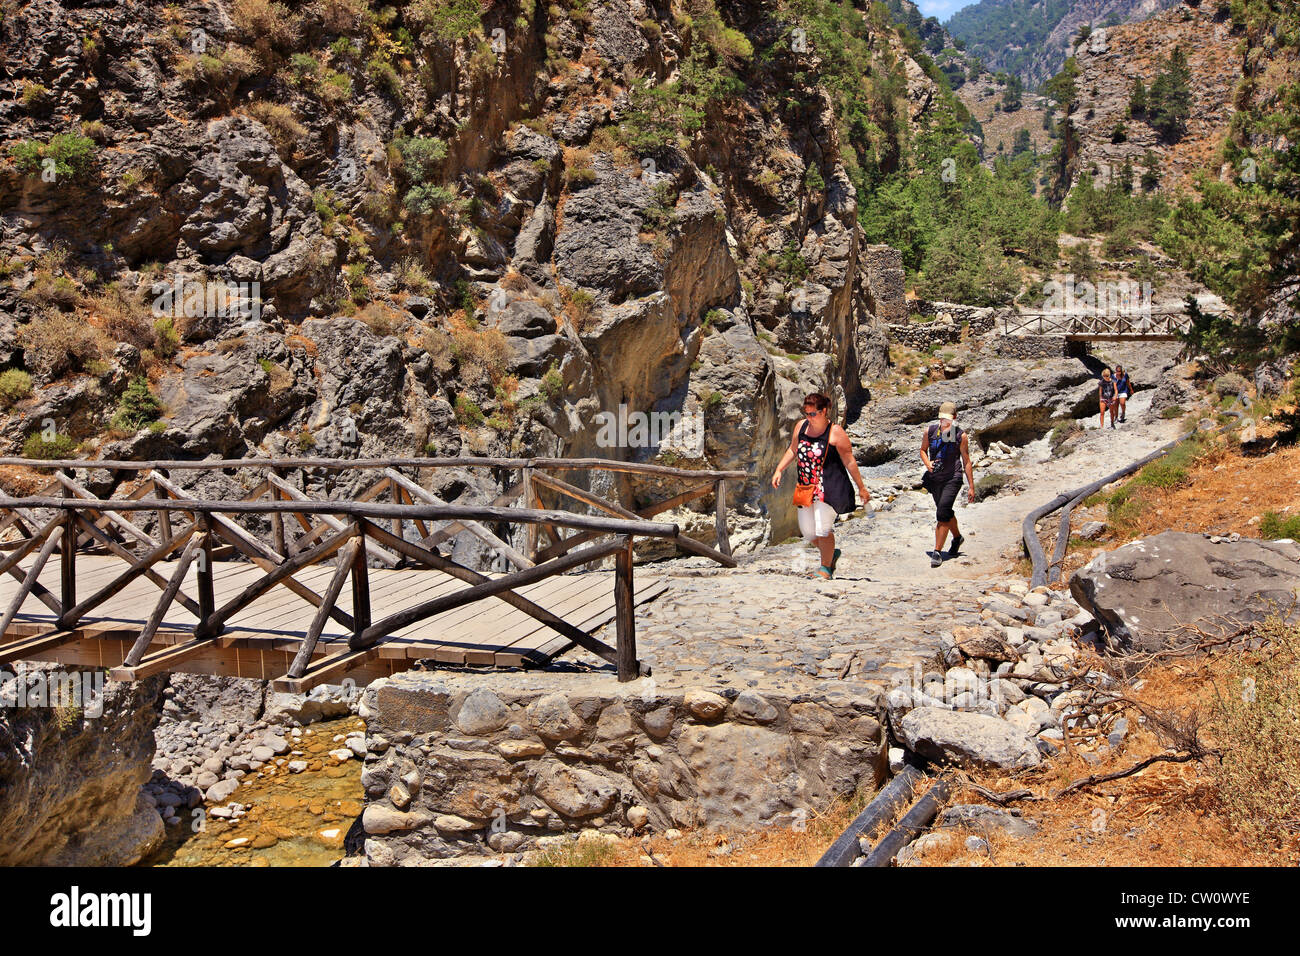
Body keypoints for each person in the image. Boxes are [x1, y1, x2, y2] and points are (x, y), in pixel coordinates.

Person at [771, 392, 871, 579]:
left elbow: (850, 462)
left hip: (829, 487)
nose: (809, 418)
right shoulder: (801, 427)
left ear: (824, 411)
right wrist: (779, 469)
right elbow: (793, 449)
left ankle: (825, 569)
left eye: (813, 414)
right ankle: (831, 554)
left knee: (822, 528)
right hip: (806, 487)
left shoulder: (835, 433)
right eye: (806, 413)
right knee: (808, 532)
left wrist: (861, 488)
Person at [920, 401, 975, 568]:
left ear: (955, 418)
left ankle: (937, 552)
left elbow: (966, 461)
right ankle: (957, 538)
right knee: (945, 511)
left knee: (942, 512)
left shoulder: (960, 435)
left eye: (949, 419)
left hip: (953, 477)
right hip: (935, 478)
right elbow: (923, 450)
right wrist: (928, 463)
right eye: (943, 419)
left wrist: (971, 486)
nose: (946, 422)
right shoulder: (929, 431)